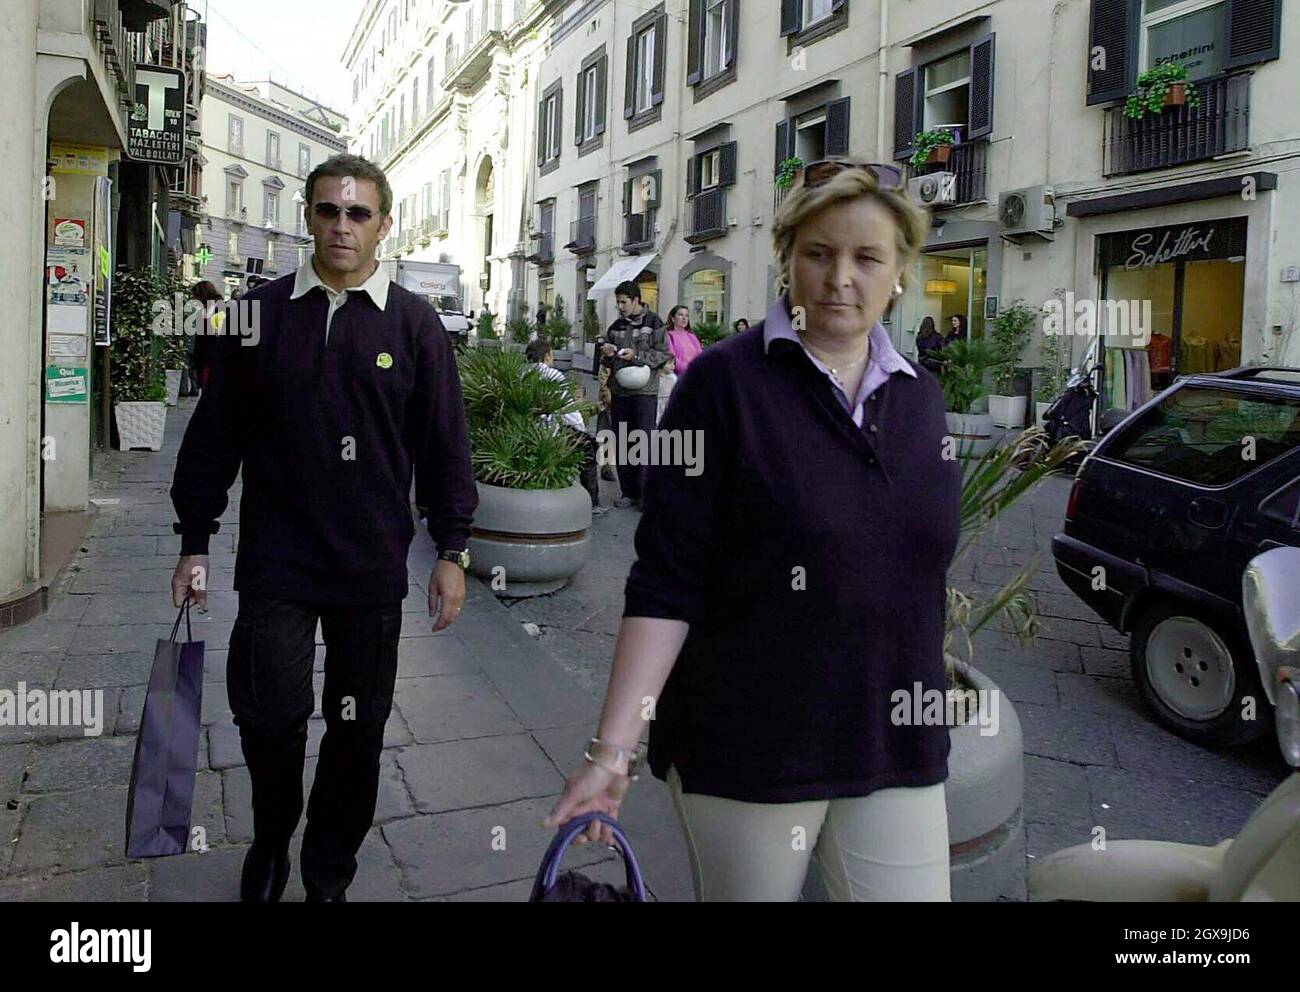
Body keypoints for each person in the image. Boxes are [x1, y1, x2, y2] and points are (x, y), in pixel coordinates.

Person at [545, 160, 961, 902]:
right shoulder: (724, 385)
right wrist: (613, 750)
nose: (840, 278)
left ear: (900, 271)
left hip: (894, 740)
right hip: (750, 746)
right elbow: (667, 581)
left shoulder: (920, 397)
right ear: (787, 258)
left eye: (867, 258)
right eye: (818, 253)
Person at [169, 153, 478, 904]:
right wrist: (194, 540)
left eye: (358, 214)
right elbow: (215, 437)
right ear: (308, 216)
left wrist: (453, 549)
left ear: (383, 225)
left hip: (370, 567)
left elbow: (444, 443)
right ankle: (273, 837)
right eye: (329, 211)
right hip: (276, 560)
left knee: (358, 729)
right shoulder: (261, 316)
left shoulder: (414, 326)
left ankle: (328, 871)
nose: (342, 227)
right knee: (268, 713)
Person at [600, 280, 668, 509]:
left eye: (623, 302)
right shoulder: (616, 327)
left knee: (644, 443)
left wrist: (637, 355)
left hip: (644, 392)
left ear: (636, 300)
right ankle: (628, 491)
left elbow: (663, 355)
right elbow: (607, 360)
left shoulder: (655, 322)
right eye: (617, 302)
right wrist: (608, 354)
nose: (619, 306)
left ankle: (645, 494)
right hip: (620, 391)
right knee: (623, 443)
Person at [526, 337, 607, 515]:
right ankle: (592, 502)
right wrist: (581, 430)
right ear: (547, 356)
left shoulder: (521, 374)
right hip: (550, 431)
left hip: (526, 430)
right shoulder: (552, 375)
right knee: (588, 446)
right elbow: (568, 410)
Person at [188, 280, 225, 393]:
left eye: (195, 295)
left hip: (210, 354)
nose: (193, 298)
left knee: (208, 385)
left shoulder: (216, 307)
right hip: (206, 353)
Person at [664, 305, 704, 377]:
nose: (684, 318)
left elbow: (701, 356)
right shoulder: (668, 336)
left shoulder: (691, 336)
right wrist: (692, 370)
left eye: (686, 315)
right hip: (681, 377)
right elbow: (673, 359)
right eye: (680, 315)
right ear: (673, 319)